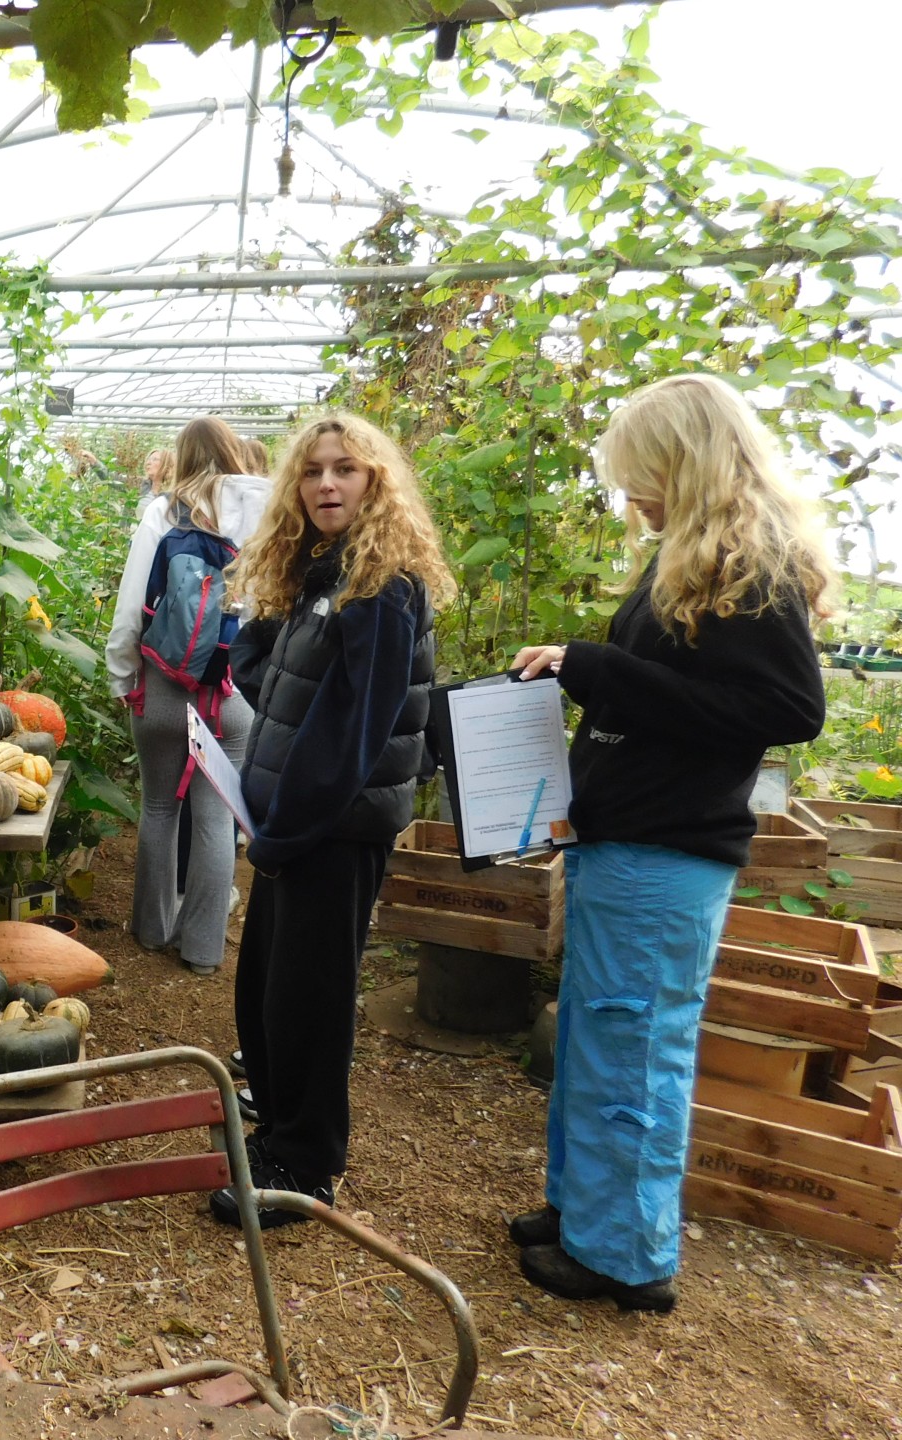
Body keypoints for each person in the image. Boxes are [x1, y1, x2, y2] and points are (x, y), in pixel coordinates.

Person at [507, 373, 832, 1312]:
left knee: (635, 1048)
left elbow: (786, 709)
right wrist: (586, 676)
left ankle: (627, 1256)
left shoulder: (751, 568)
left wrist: (603, 669)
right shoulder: (687, 559)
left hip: (668, 853)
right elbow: (667, 694)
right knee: (597, 1037)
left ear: (685, 465)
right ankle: (581, 1212)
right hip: (625, 839)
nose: (631, 497)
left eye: (639, 475)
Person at [209, 413, 455, 1228]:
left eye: (345, 470)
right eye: (312, 471)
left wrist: (286, 826)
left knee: (309, 998)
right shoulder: (325, 574)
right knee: (268, 988)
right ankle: (278, 1126)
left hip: (334, 827)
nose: (325, 484)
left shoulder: (383, 591)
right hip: (291, 819)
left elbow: (350, 733)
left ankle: (307, 1166)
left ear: (375, 482)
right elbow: (262, 668)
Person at [106, 418, 265, 976]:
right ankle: (202, 949)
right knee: (216, 817)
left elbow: (131, 608)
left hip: (165, 684)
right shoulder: (268, 516)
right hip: (232, 690)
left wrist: (123, 678)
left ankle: (152, 930)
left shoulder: (163, 512)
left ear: (181, 456)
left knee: (157, 807)